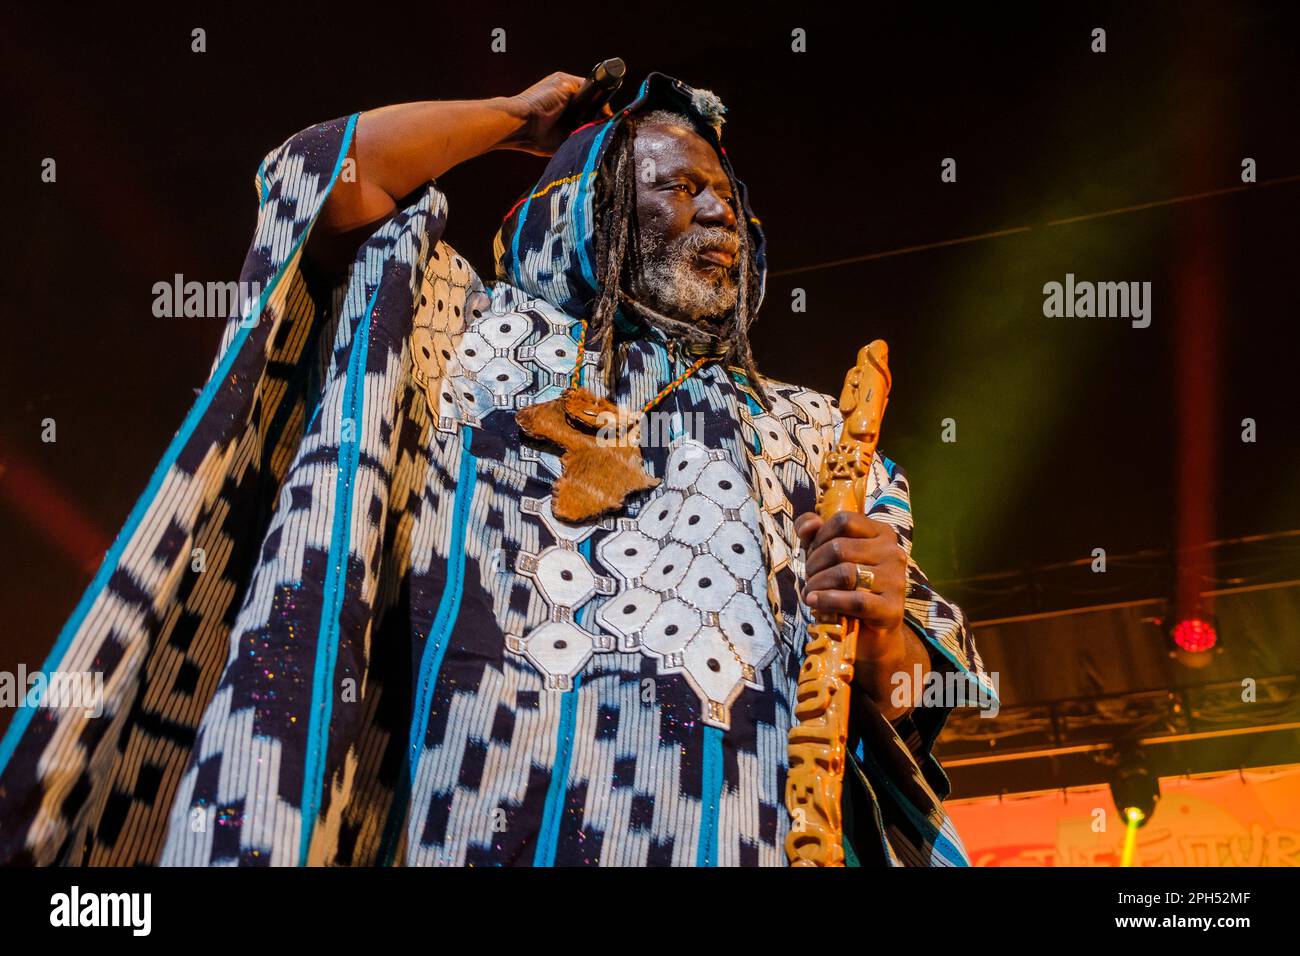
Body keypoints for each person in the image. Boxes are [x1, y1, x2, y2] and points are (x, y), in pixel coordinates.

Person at [0, 71, 995, 867]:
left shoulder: (820, 437)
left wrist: (881, 630)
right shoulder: (459, 341)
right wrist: (508, 119)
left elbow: (917, 711)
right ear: (582, 213)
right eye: (676, 186)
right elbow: (319, 177)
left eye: (728, 199)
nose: (719, 214)